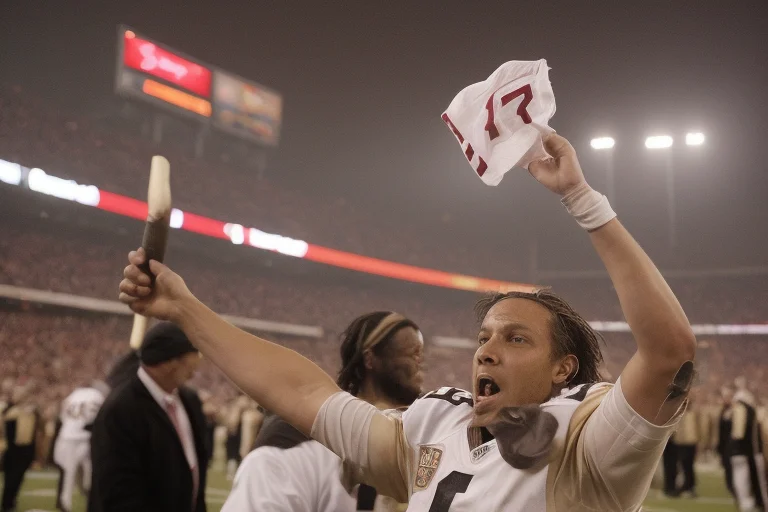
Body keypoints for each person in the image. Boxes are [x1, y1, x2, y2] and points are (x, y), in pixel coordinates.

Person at [118, 133, 697, 510]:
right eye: (484, 337)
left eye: (516, 338)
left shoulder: (585, 443)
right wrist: (186, 309)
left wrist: (581, 197)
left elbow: (670, 351)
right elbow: (300, 389)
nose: (486, 352)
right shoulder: (432, 428)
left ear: (562, 368)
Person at [222, 311, 424, 511]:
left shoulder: (395, 444)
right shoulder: (297, 438)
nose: (419, 362)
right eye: (410, 352)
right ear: (370, 359)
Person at [88, 322, 209, 512]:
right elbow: (117, 489)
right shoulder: (121, 409)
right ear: (171, 362)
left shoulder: (189, 401)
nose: (196, 367)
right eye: (192, 356)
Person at [53, 380, 108, 512]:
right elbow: (102, 417)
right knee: (89, 471)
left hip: (67, 436)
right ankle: (88, 494)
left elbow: (63, 417)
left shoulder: (72, 396)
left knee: (69, 473)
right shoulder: (97, 395)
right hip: (85, 437)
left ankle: (66, 502)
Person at [729, 378, 768, 511]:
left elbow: (738, 432)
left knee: (745, 478)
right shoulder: (752, 409)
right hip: (752, 450)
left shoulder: (742, 408)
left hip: (747, 450)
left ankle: (751, 502)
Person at [1, 383, 41, 512]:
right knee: (10, 479)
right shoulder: (9, 410)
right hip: (12, 449)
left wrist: (33, 453)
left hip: (26, 450)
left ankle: (11, 502)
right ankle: (6, 503)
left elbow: (35, 433)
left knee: (18, 478)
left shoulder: (32, 412)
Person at [717, 386, 735, 496]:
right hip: (724, 444)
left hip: (731, 444)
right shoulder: (723, 410)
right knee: (726, 466)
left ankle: (733, 487)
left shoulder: (734, 410)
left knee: (731, 466)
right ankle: (730, 486)